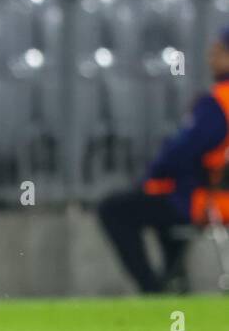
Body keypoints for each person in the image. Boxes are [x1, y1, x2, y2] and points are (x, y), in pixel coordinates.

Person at [98, 28, 229, 293]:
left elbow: (181, 152)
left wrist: (151, 176)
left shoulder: (218, 102)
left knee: (114, 209)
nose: (210, 58)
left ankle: (153, 288)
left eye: (218, 52)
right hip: (211, 196)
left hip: (207, 199)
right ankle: (174, 280)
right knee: (164, 209)